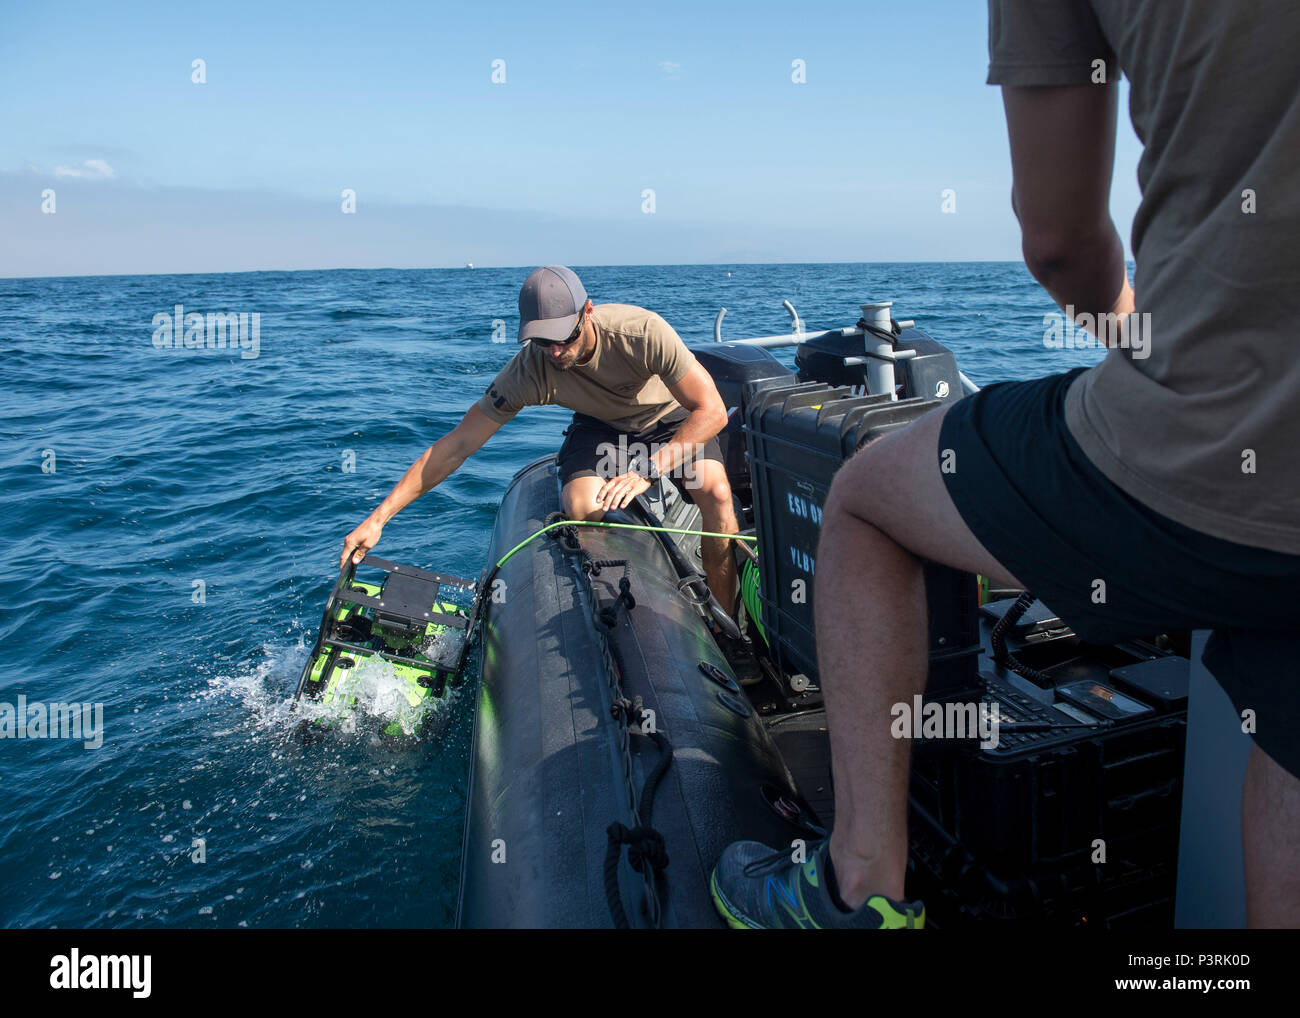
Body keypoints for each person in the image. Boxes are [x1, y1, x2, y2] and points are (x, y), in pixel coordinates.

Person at [711, 0, 1300, 929]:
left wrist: (1141, 346)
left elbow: (1060, 240)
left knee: (864, 499)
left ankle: (858, 886)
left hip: (1209, 449)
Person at [340, 264, 740, 619]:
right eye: (543, 341)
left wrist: (648, 470)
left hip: (670, 421)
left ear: (588, 312)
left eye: (565, 337)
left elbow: (712, 411)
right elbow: (458, 444)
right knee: (581, 507)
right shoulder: (532, 368)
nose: (556, 351)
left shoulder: (641, 332)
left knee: (716, 492)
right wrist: (379, 518)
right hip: (601, 427)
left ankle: (728, 628)